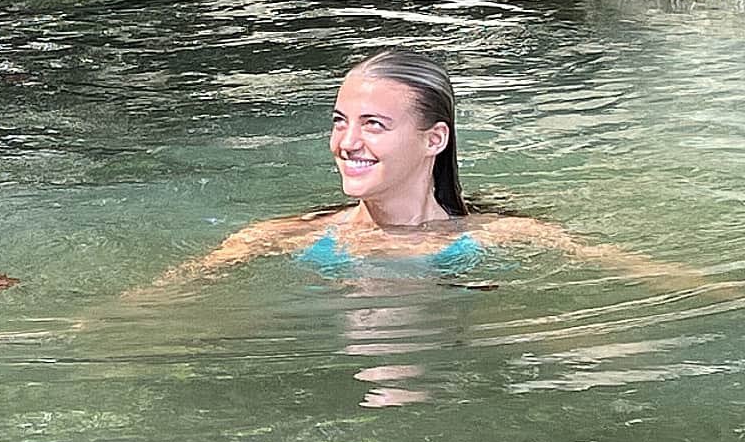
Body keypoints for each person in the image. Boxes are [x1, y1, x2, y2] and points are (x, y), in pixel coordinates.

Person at [158, 48, 696, 284]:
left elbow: (639, 272)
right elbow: (161, 300)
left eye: (374, 124)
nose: (347, 142)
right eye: (340, 121)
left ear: (433, 138)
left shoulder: (502, 236)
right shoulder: (283, 237)